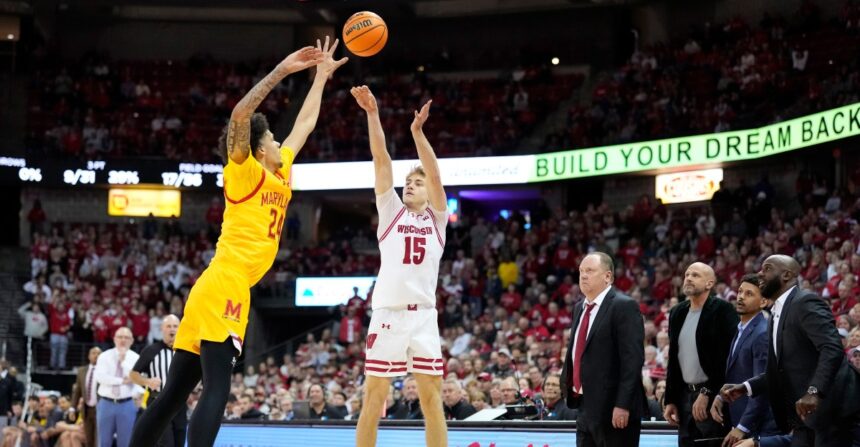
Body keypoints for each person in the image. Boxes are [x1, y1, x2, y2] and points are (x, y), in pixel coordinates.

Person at [129, 38, 345, 447]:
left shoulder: (280, 173)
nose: (282, 144)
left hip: (212, 287)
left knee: (173, 394)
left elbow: (305, 125)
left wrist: (320, 78)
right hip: (227, 283)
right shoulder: (245, 172)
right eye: (275, 142)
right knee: (217, 389)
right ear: (261, 149)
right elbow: (240, 114)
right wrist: (283, 71)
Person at [350, 84, 448, 447]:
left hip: (423, 316)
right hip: (388, 314)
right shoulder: (391, 213)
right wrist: (373, 114)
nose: (410, 185)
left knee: (431, 399)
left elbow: (436, 175)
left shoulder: (438, 220)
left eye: (417, 183)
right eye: (408, 182)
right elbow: (382, 161)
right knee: (373, 399)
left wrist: (417, 132)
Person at [722, 255, 860, 447]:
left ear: (786, 275)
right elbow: (778, 370)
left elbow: (832, 348)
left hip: (833, 411)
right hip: (804, 416)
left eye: (767, 269)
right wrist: (745, 387)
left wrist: (814, 391)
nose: (760, 274)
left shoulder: (806, 302)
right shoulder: (774, 314)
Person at [560, 252, 645, 446]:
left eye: (589, 270)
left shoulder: (624, 306)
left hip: (613, 408)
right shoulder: (579, 307)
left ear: (607, 276)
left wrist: (622, 404)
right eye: (581, 271)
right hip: (584, 405)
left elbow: (632, 361)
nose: (583, 275)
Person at [663, 262, 738, 447]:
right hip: (683, 397)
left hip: (713, 397)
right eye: (687, 274)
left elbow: (728, 357)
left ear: (709, 283)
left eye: (695, 275)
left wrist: (707, 391)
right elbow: (674, 359)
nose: (688, 278)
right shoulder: (677, 312)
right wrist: (670, 398)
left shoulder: (723, 310)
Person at [710, 274, 779, 446]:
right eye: (740, 291)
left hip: (760, 426)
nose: (741, 297)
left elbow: (762, 385)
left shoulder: (762, 333)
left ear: (763, 302)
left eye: (749, 294)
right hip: (743, 417)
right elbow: (739, 375)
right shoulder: (741, 328)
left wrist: (743, 426)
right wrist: (721, 397)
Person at [130, 315, 184, 447]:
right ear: (162, 329)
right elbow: (133, 374)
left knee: (180, 441)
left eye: (175, 326)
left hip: (180, 404)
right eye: (168, 326)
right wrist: (147, 381)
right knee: (166, 443)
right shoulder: (151, 350)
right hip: (158, 402)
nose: (172, 329)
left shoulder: (185, 351)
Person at [94, 327, 139, 447]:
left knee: (125, 443)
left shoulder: (136, 358)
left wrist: (123, 361)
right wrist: (122, 381)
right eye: (120, 337)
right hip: (106, 403)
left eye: (126, 337)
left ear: (132, 340)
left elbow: (135, 379)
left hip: (127, 404)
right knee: (104, 442)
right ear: (114, 339)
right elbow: (101, 377)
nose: (123, 340)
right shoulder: (104, 356)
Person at [70, 346, 101, 447]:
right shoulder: (81, 371)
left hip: (101, 409)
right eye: (93, 353)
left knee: (99, 439)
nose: (96, 355)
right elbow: (77, 392)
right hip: (86, 409)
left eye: (98, 353)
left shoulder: (105, 371)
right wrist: (72, 408)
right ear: (89, 356)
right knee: (89, 439)